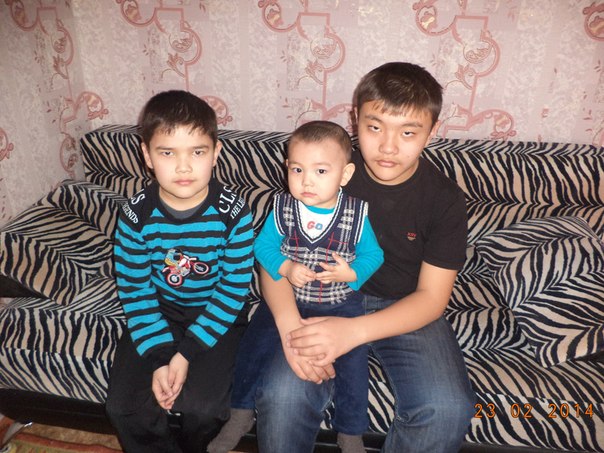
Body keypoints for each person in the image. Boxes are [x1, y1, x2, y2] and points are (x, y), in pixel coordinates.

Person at [253, 62, 477, 453]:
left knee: (447, 409)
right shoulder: (323, 169)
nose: (388, 146)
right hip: (319, 298)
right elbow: (271, 258)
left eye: (408, 132)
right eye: (375, 127)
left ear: (432, 131)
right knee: (282, 396)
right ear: (355, 119)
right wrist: (289, 327)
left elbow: (432, 298)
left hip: (403, 306)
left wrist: (353, 332)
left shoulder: (443, 199)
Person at [208, 120, 384, 453]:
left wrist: (351, 273)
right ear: (287, 167)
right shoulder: (282, 208)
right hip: (291, 299)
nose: (306, 181)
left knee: (354, 364)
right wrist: (286, 267)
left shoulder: (356, 214)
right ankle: (241, 413)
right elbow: (263, 247)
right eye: (298, 170)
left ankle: (350, 432)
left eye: (321, 171)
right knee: (252, 346)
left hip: (340, 304)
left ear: (345, 174)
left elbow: (374, 255)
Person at [105, 90, 255, 453]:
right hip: (159, 310)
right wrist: (160, 357)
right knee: (123, 407)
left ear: (216, 153)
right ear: (147, 155)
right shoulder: (135, 214)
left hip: (218, 315)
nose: (184, 167)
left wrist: (185, 354)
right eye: (168, 153)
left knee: (205, 409)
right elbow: (136, 291)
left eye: (197, 152)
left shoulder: (234, 213)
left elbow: (232, 291)